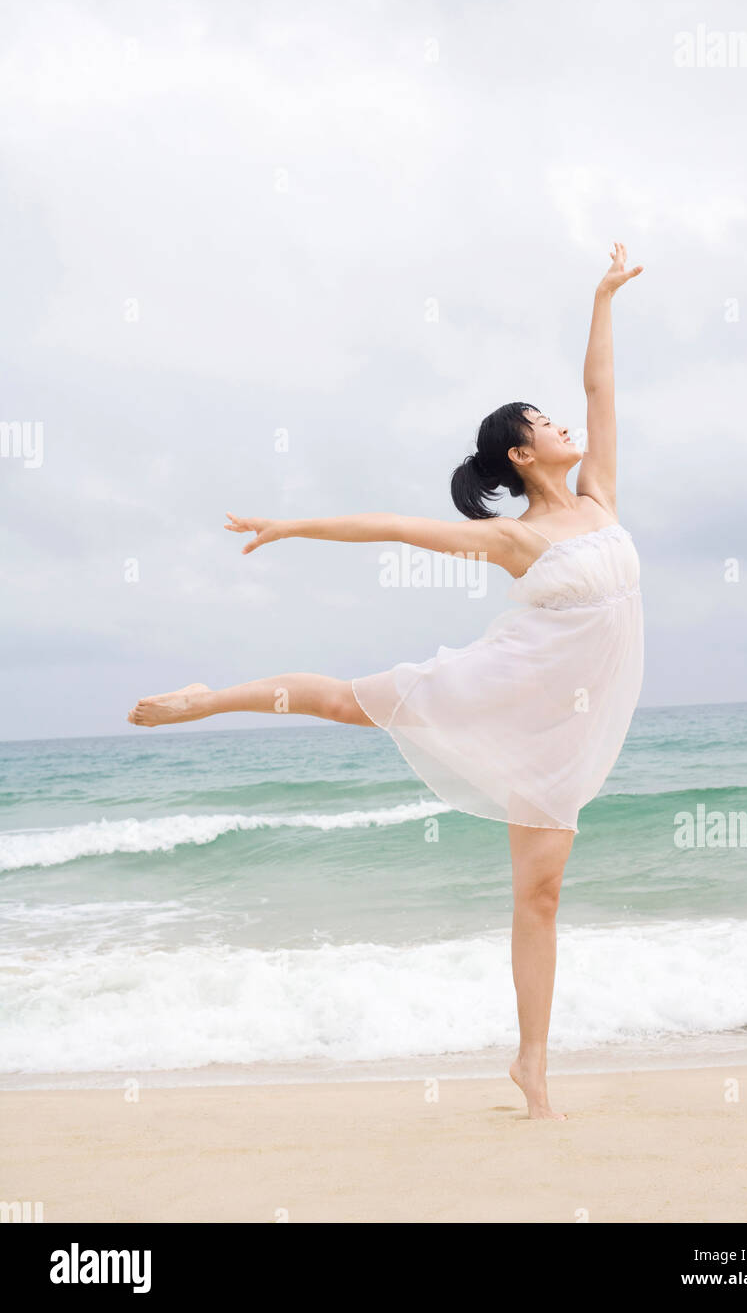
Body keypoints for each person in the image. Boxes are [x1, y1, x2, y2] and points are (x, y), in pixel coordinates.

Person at [128, 242, 645, 1119]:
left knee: (541, 895)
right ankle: (209, 697)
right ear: (520, 456)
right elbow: (398, 528)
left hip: (565, 725)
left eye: (557, 417)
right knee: (346, 702)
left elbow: (601, 389)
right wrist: (292, 525)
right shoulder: (514, 537)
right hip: (505, 685)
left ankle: (533, 1070)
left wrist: (602, 300)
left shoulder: (599, 498)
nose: (565, 425)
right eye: (543, 422)